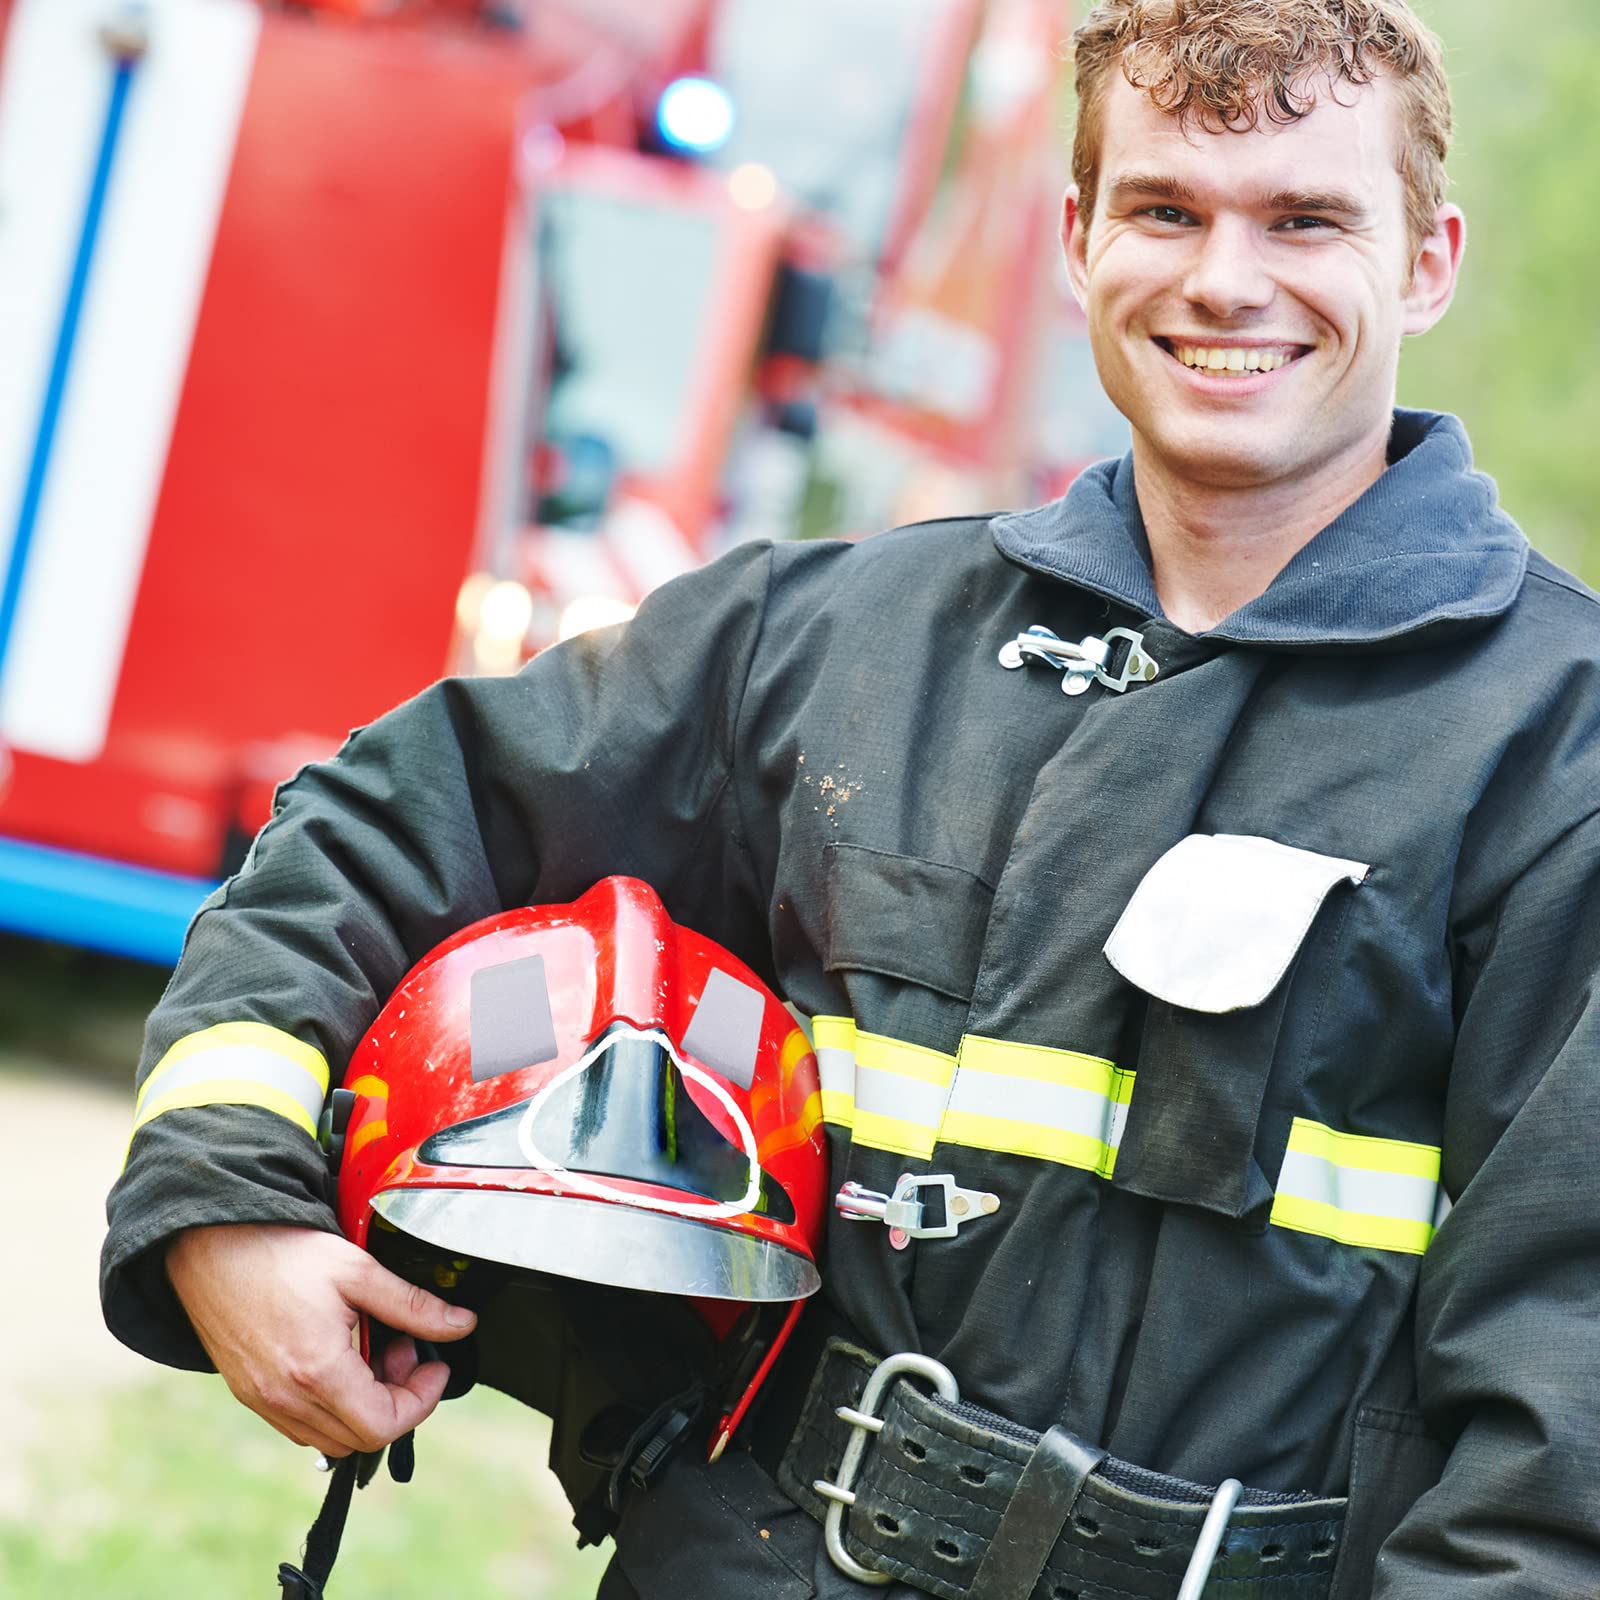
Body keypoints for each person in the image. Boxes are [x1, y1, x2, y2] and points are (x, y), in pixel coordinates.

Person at [102, 1, 1600, 1596]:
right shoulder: (824, 646)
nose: (1227, 280)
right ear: (1082, 239)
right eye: (1167, 210)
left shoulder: (1552, 750)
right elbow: (379, 822)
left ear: (1427, 259)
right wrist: (223, 1204)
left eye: (1307, 219)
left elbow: (1562, 1407)